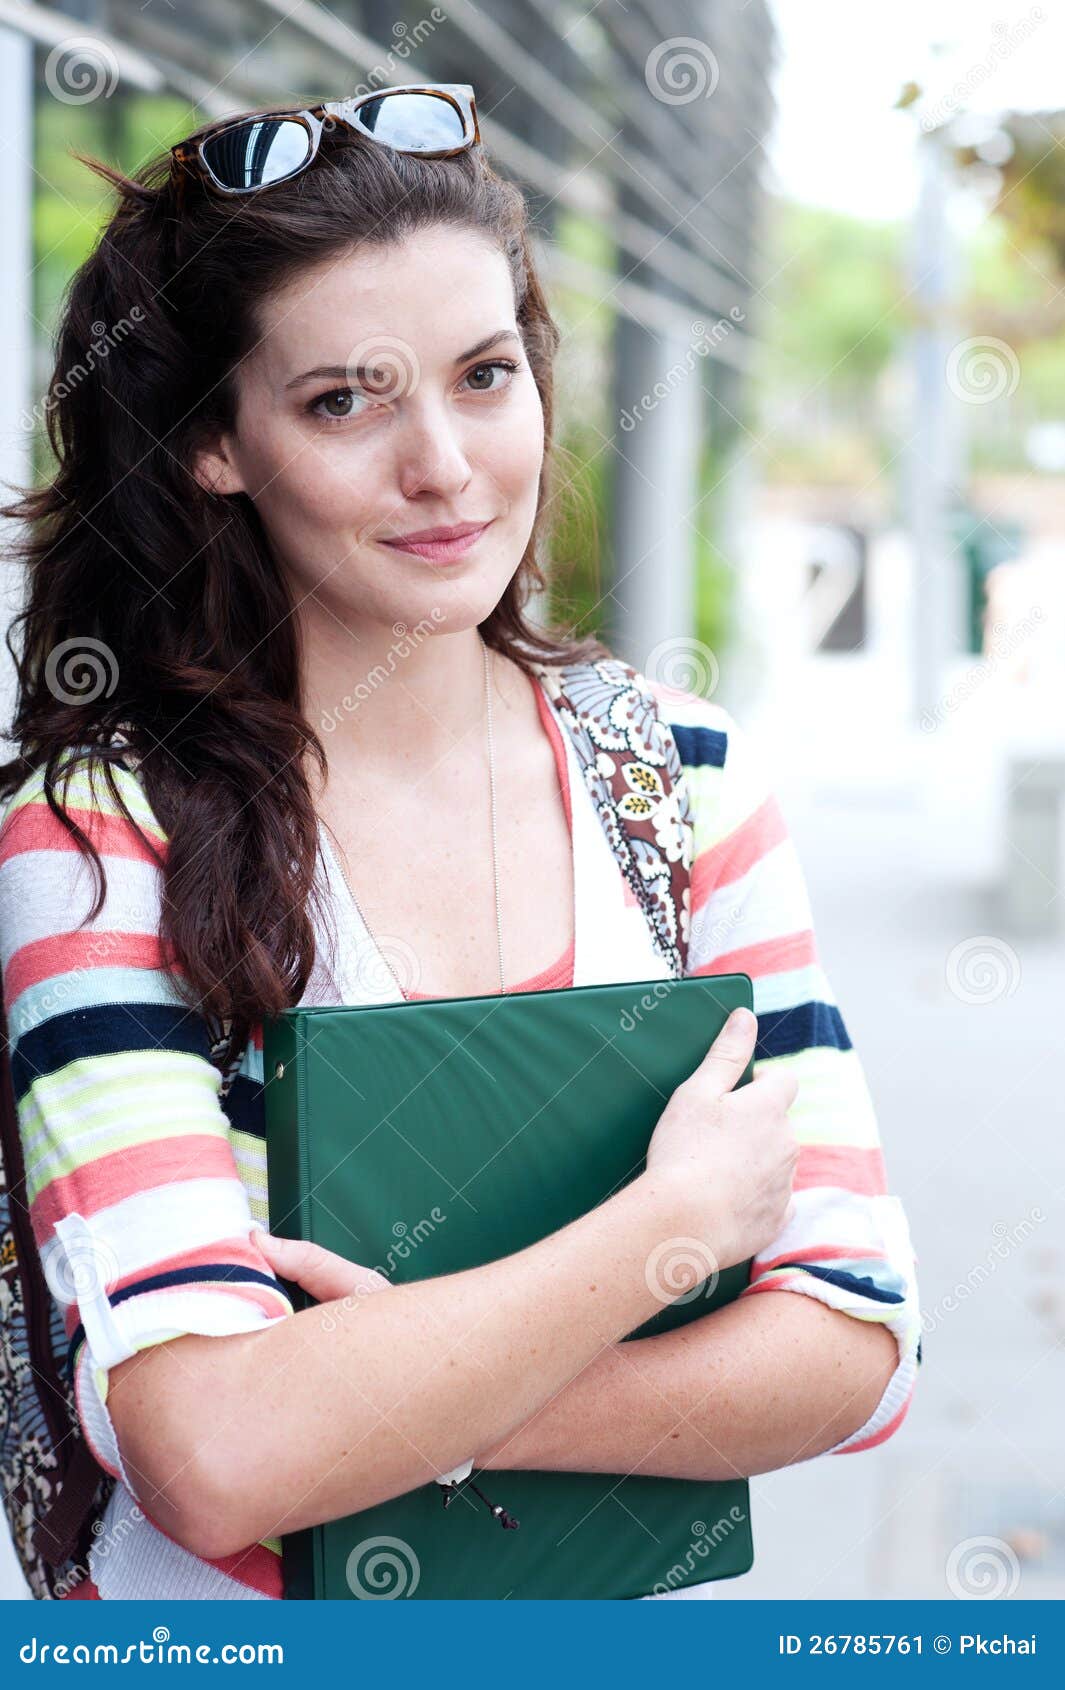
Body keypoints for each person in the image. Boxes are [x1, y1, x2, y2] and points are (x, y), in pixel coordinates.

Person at [0, 85, 919, 1601]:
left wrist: (377, 1400)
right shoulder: (107, 830)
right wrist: (668, 1231)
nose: (442, 465)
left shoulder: (679, 778)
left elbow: (861, 1339)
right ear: (216, 444)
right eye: (343, 401)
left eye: (484, 376)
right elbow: (214, 1452)